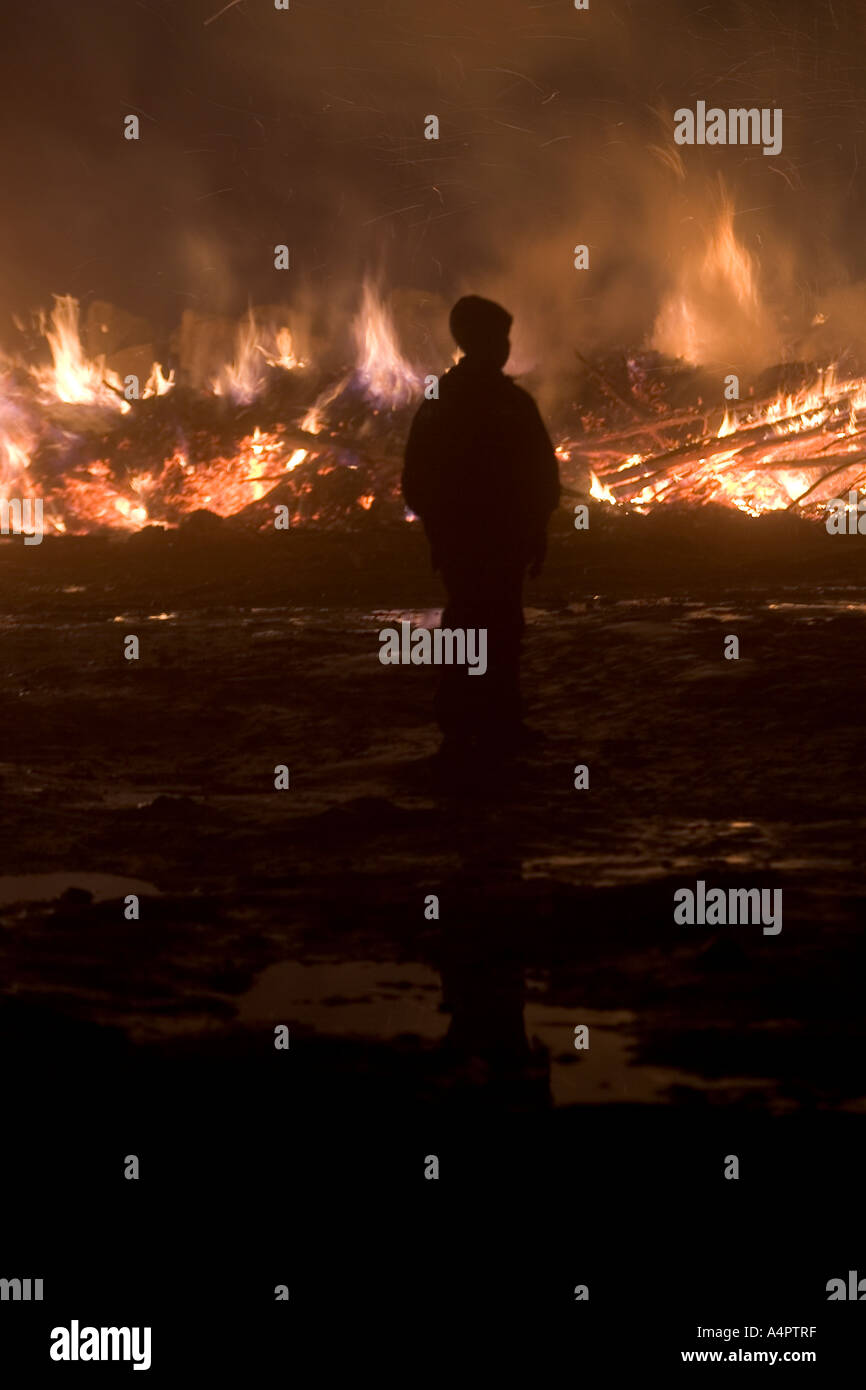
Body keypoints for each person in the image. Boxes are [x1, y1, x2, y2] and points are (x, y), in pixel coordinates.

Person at [402, 295, 560, 754]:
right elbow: (539, 473)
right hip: (484, 538)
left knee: (483, 623)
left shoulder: (454, 401)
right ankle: (478, 723)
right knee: (489, 622)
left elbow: (417, 474)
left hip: (481, 540)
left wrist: (439, 526)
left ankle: (479, 722)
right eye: (500, 338)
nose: (506, 347)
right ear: (480, 342)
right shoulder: (495, 403)